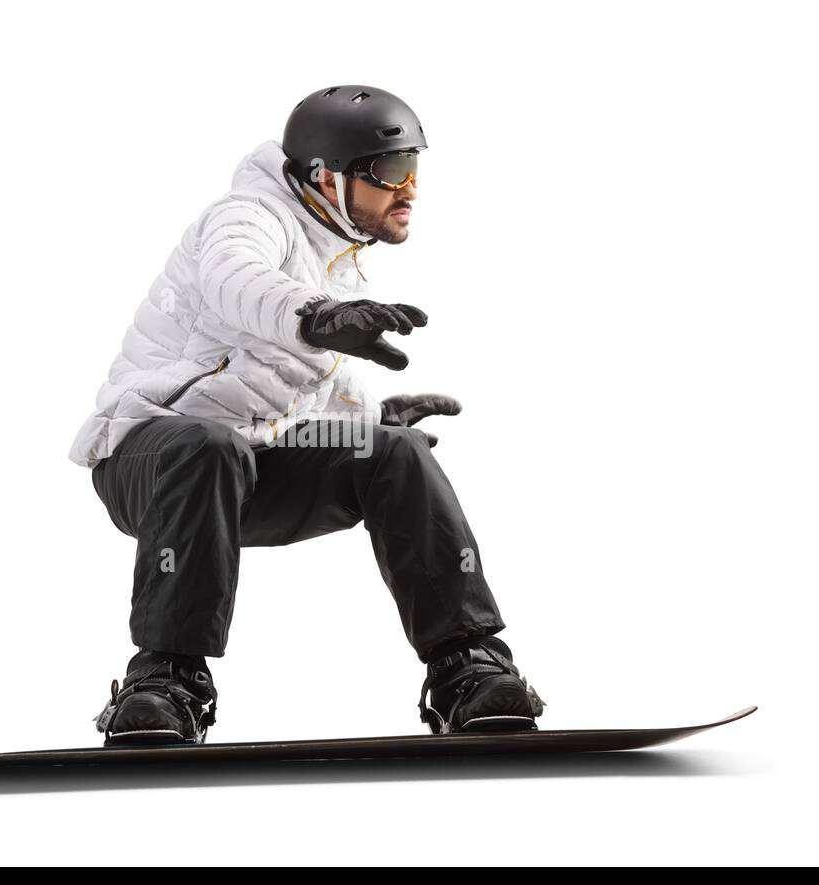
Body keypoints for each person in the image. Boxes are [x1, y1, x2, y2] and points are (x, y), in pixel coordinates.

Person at [69, 85, 546, 746]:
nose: (409, 189)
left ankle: (467, 668)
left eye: (415, 170)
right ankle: (165, 679)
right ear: (324, 176)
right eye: (390, 172)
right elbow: (238, 281)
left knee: (395, 454)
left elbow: (293, 387)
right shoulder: (247, 217)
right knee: (210, 446)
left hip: (249, 461)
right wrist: (315, 319)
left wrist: (375, 418)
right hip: (149, 461)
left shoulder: (337, 266)